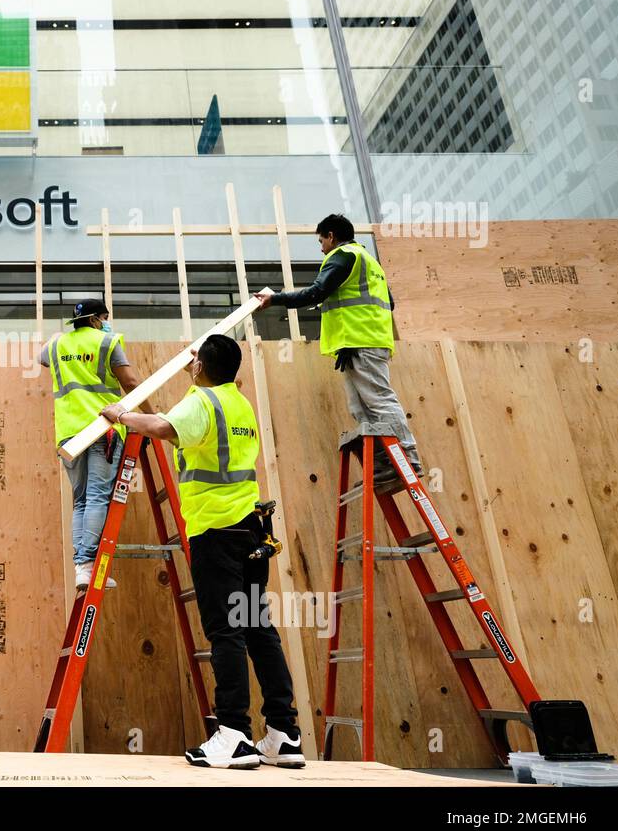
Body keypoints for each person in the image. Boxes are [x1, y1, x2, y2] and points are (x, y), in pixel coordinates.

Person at [101, 335, 305, 770]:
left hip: (215, 531)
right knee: (256, 627)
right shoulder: (239, 404)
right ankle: (283, 734)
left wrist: (122, 415)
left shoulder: (202, 403)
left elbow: (163, 429)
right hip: (251, 530)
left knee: (225, 632)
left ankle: (232, 734)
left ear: (201, 368)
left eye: (196, 363)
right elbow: (185, 433)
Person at [255, 213, 422, 481]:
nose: (321, 248)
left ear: (331, 236)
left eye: (321, 241)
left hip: (362, 341)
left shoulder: (344, 255)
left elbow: (315, 292)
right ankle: (386, 463)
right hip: (359, 342)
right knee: (361, 408)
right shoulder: (369, 262)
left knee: (379, 400)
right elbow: (388, 304)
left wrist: (275, 299)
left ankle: (408, 459)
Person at [38, 298, 151, 591]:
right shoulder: (107, 342)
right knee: (99, 495)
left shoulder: (56, 346)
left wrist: (56, 336)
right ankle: (88, 562)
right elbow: (130, 382)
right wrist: (152, 416)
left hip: (69, 434)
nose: (106, 322)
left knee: (81, 499)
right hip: (102, 428)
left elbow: (42, 357)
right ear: (95, 319)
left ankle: (82, 567)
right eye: (104, 317)